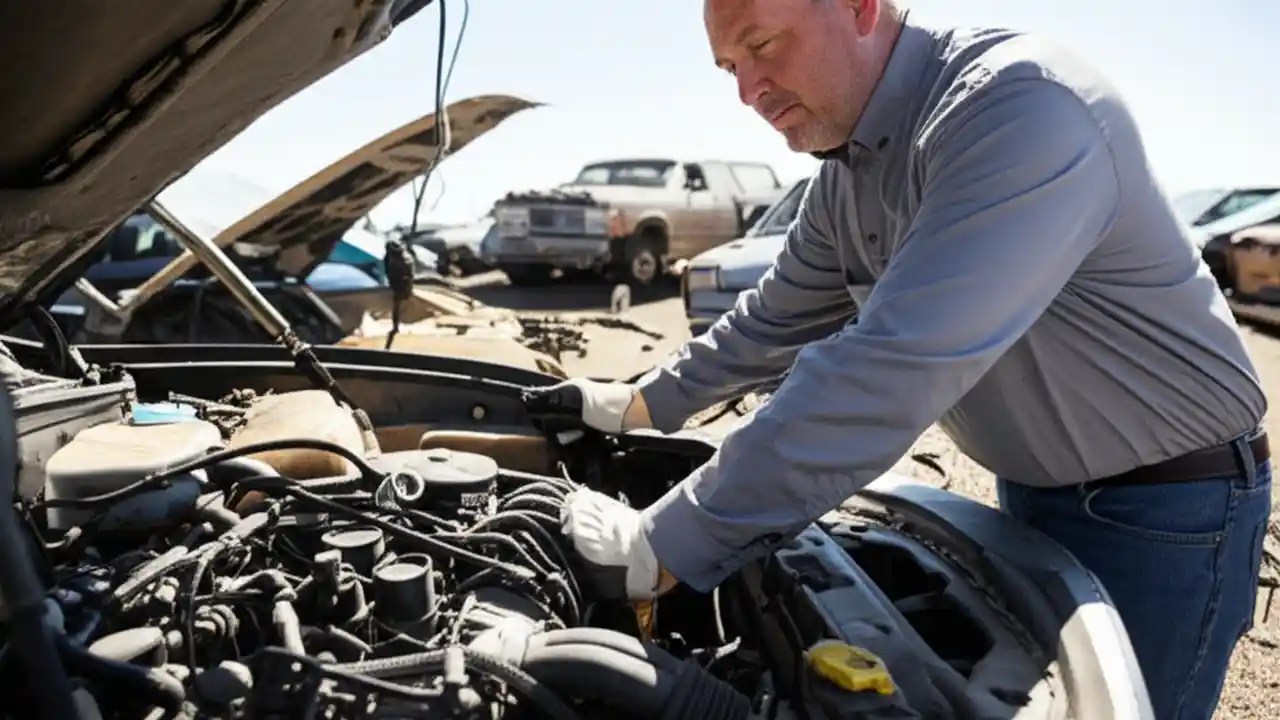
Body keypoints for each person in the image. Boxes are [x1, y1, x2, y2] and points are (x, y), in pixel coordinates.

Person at [525, 1, 1273, 717]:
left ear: (858, 5)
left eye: (761, 46)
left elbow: (886, 369)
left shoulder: (1020, 108)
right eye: (728, 68)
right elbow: (766, 324)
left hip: (1167, 512)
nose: (749, 92)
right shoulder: (847, 178)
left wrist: (661, 544)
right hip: (1035, 493)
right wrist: (632, 403)